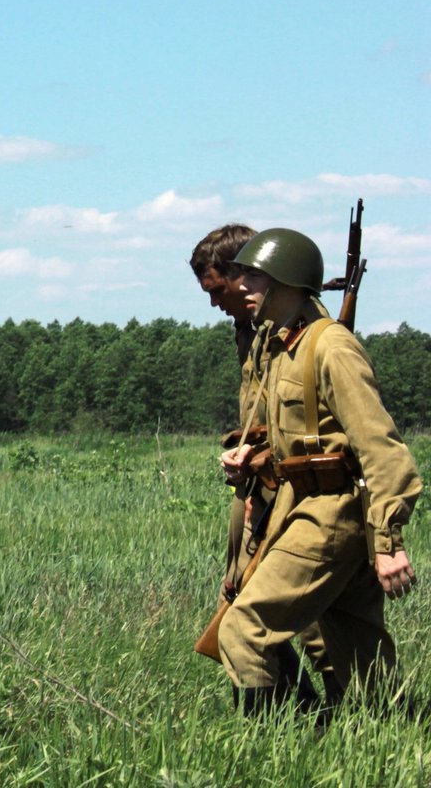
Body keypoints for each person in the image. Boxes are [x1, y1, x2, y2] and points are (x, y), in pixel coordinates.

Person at [216, 228, 420, 714]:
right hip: (303, 505)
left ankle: (265, 750)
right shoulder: (283, 344)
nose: (240, 285)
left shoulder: (330, 347)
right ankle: (390, 735)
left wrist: (388, 543)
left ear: (286, 279)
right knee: (358, 657)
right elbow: (302, 435)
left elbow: (381, 448)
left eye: (252, 275)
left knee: (243, 630)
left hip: (333, 514)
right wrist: (254, 455)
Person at [191, 224, 329, 705]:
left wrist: (261, 459)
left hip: (294, 489)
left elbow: (301, 423)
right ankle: (298, 712)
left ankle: (324, 714)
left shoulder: (297, 331)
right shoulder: (249, 330)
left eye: (218, 289)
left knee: (299, 616)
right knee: (243, 600)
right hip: (260, 484)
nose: (216, 303)